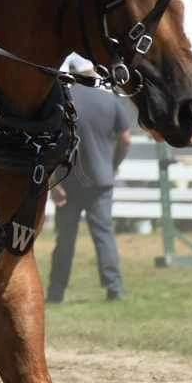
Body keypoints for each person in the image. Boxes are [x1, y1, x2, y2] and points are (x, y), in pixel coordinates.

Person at [47, 55, 135, 304]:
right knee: (104, 235)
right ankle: (114, 288)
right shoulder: (111, 100)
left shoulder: (64, 102)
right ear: (94, 72)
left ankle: (56, 292)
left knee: (65, 240)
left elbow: (54, 144)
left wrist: (54, 182)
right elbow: (126, 139)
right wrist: (113, 165)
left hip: (68, 181)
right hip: (101, 179)